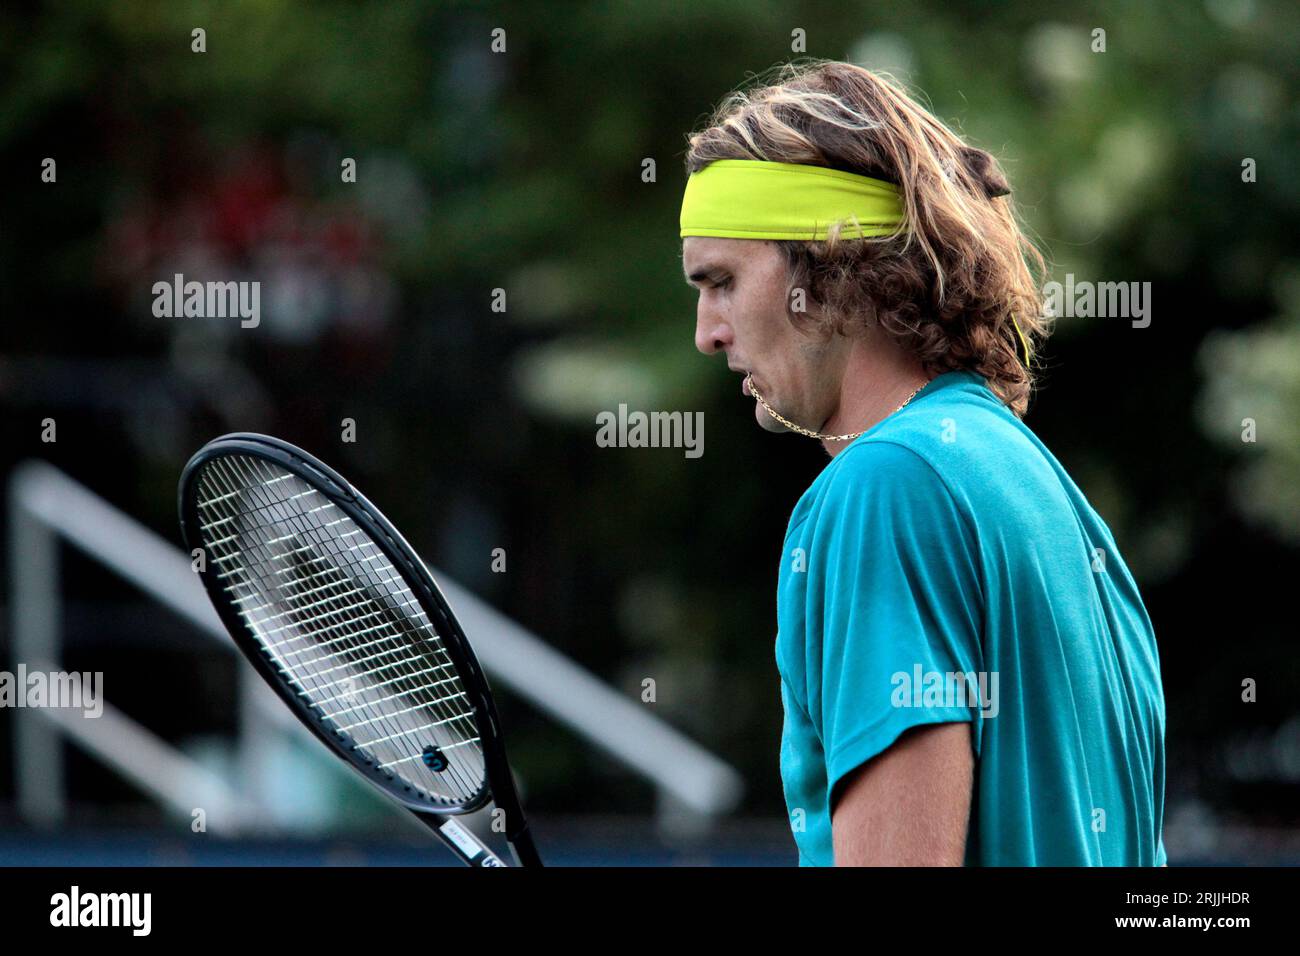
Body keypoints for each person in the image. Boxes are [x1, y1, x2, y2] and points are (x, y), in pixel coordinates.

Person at [679, 60, 1166, 866]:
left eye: (723, 281)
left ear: (829, 262)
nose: (707, 331)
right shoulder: (1042, 487)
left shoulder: (886, 488)